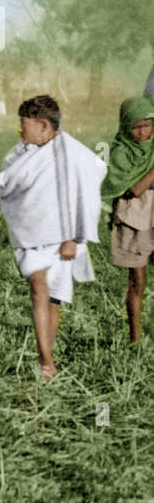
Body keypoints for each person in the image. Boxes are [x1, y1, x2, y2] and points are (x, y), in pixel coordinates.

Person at [0, 94, 104, 379]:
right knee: (39, 291)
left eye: (24, 124)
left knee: (53, 299)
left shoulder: (74, 154)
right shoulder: (22, 151)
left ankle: (46, 354)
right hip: (31, 237)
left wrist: (75, 238)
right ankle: (46, 361)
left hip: (62, 239)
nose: (20, 130)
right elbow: (10, 183)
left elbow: (88, 195)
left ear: (44, 125)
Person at [101, 95, 154, 344]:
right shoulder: (121, 152)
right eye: (136, 126)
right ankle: (134, 339)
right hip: (134, 215)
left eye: (147, 125)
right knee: (137, 280)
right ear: (125, 126)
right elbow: (133, 189)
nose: (142, 132)